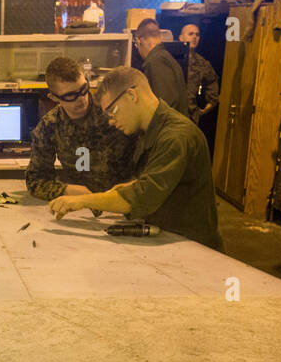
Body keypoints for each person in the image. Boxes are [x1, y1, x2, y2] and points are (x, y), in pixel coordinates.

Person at [48, 66, 222, 251]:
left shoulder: (176, 136)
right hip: (169, 240)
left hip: (193, 248)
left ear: (132, 95)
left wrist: (81, 201)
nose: (111, 121)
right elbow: (163, 180)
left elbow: (142, 197)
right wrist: (130, 186)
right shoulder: (154, 130)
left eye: (112, 111)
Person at [24, 57, 134, 201]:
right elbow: (35, 181)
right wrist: (66, 190)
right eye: (71, 96)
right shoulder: (49, 126)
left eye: (83, 89)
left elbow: (144, 170)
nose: (81, 98)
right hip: (79, 206)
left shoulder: (111, 111)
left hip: (121, 201)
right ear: (54, 97)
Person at [130, 18, 189, 115]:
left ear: (139, 41)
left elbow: (165, 105)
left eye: (136, 45)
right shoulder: (165, 57)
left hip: (168, 128)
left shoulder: (156, 61)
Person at [178, 24, 219, 126]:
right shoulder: (173, 58)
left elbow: (212, 81)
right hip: (173, 111)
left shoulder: (202, 63)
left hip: (191, 115)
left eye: (197, 34)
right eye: (190, 34)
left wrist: (208, 105)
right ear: (181, 37)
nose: (194, 37)